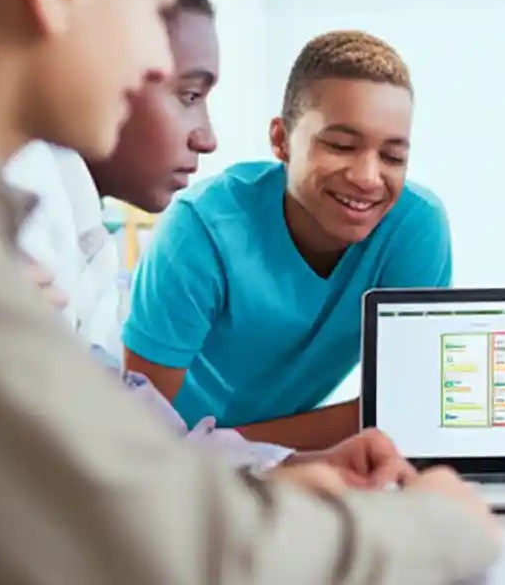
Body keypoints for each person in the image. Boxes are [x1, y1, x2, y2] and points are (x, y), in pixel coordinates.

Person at [0, 0, 498, 582]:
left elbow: (79, 479)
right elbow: (147, 539)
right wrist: (435, 529)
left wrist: (257, 488)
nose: (159, 60)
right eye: (156, 4)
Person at [5, 0, 413, 485]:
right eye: (189, 95)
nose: (208, 137)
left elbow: (134, 429)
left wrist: (291, 464)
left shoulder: (86, 235)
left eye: (394, 155)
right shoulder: (28, 218)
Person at [123, 30, 452, 449]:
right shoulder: (200, 230)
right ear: (280, 139)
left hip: (247, 456)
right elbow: (140, 435)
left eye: (392, 157)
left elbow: (402, 407)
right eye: (341, 145)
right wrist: (232, 453)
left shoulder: (415, 229)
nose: (368, 178)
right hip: (170, 465)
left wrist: (242, 452)